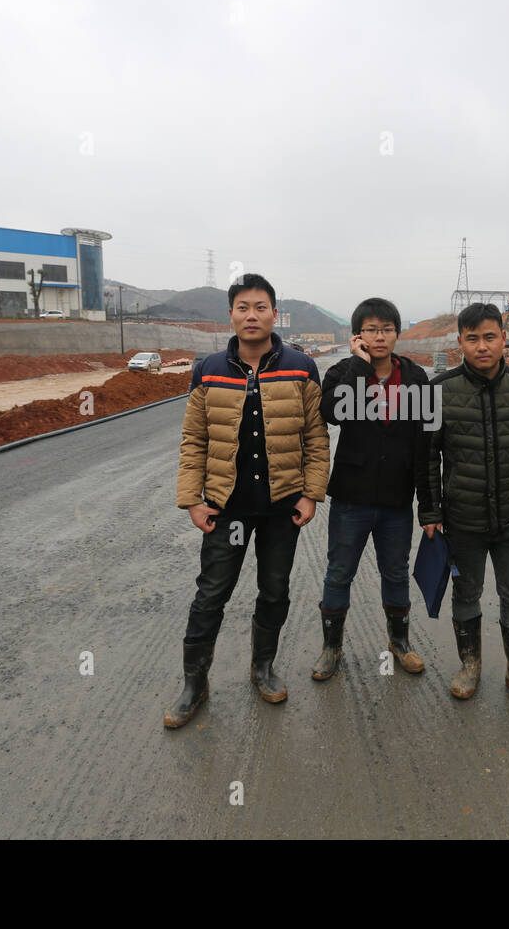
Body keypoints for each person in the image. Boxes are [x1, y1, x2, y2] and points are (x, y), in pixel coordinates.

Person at [165, 274, 329, 729]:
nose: (251, 315)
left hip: (281, 508)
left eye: (260, 307)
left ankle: (263, 668)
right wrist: (193, 501)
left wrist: (311, 493)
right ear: (231, 315)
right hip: (227, 508)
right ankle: (194, 685)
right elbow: (193, 440)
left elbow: (316, 437)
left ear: (275, 314)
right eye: (242, 307)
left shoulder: (300, 367)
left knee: (274, 590)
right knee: (211, 594)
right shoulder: (209, 368)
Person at [416, 303, 509, 710]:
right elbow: (427, 457)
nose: (481, 346)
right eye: (472, 338)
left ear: (503, 338)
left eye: (489, 336)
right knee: (466, 592)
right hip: (463, 520)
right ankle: (470, 666)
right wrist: (431, 512)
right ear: (460, 341)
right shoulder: (438, 390)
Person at [312, 298, 433, 680]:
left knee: (395, 573)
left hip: (397, 499)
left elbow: (426, 445)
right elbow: (333, 412)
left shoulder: (415, 378)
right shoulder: (341, 373)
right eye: (371, 329)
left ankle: (400, 643)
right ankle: (331, 648)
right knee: (338, 572)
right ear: (358, 335)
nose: (379, 336)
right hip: (352, 496)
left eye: (386, 329)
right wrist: (360, 368)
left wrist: (429, 506)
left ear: (397, 333)